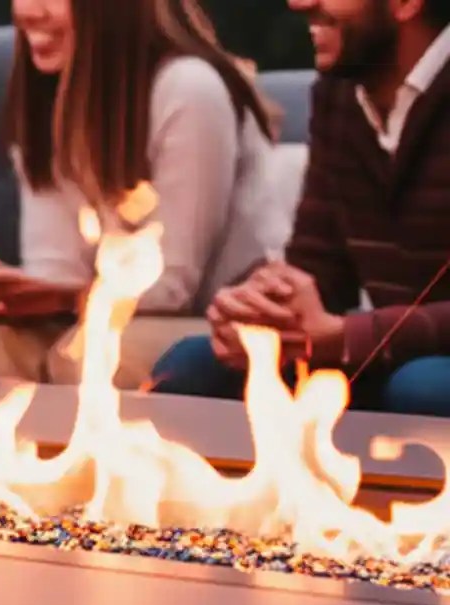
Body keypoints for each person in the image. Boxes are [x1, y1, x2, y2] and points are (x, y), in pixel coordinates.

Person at [0, 0, 288, 389]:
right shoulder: (48, 97)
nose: (26, 11)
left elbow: (175, 287)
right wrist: (3, 293)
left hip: (214, 319)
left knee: (103, 354)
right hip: (105, 310)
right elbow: (55, 270)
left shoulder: (189, 88)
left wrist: (58, 297)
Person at [152, 0, 450, 417]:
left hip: (417, 366)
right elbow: (319, 267)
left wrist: (349, 336)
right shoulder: (339, 91)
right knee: (189, 368)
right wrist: (263, 308)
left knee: (422, 388)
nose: (300, 3)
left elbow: (349, 333)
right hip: (382, 352)